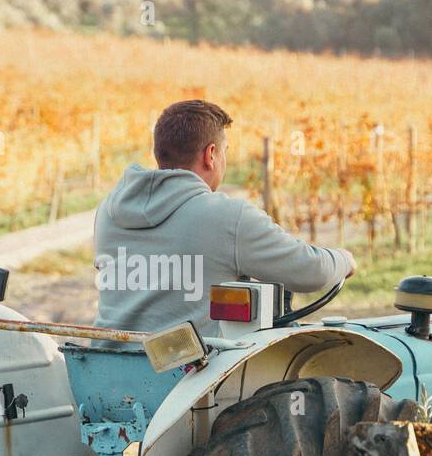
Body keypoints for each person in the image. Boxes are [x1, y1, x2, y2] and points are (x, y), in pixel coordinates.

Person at [93, 99, 356, 339]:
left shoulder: (109, 211)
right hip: (187, 380)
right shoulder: (227, 217)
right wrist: (344, 259)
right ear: (211, 155)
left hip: (106, 371)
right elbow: (311, 272)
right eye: (225, 151)